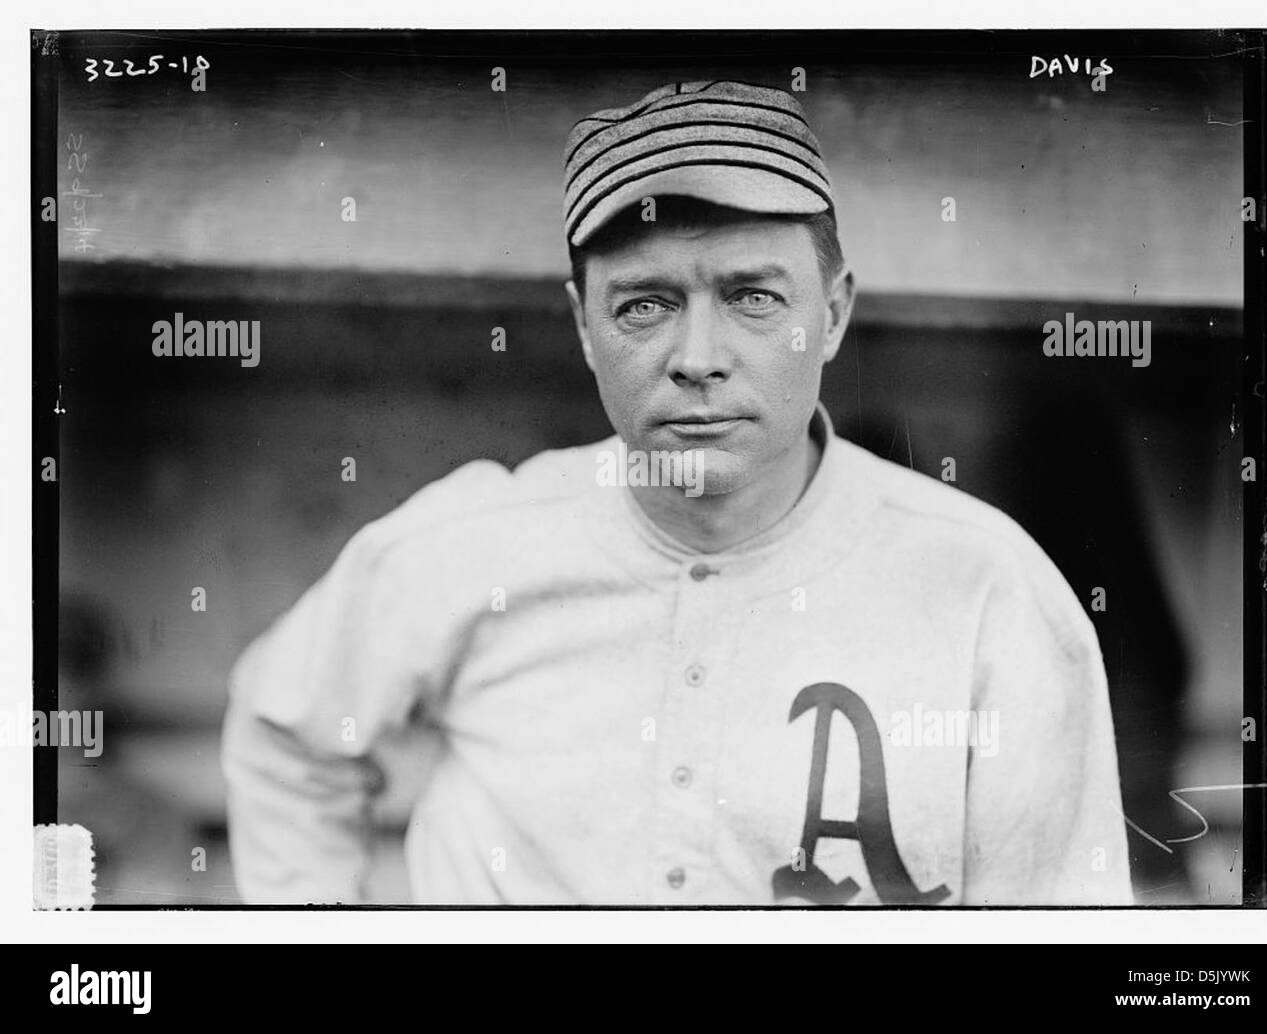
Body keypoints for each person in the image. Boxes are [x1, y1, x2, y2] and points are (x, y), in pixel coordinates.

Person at [221, 80, 1132, 905]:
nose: (697, 359)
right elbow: (284, 735)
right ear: (584, 327)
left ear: (835, 314)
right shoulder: (473, 541)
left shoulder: (990, 590)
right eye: (644, 306)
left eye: (753, 299)